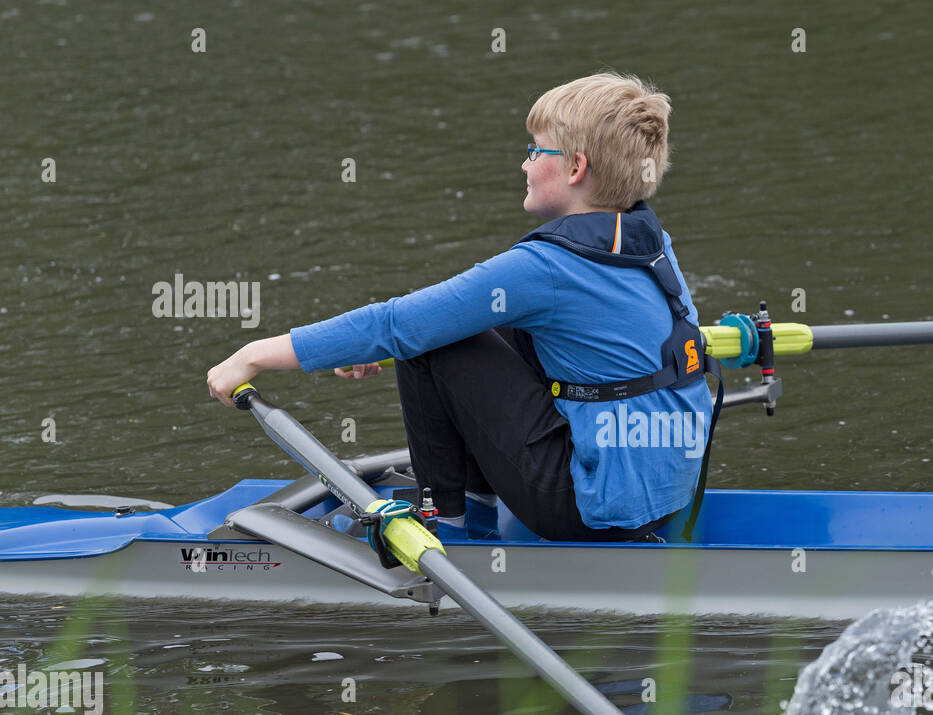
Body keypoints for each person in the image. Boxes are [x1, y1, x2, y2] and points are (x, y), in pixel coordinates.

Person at [207, 73, 715, 542]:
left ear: (576, 167)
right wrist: (372, 348)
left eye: (536, 151)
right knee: (471, 326)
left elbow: (399, 324)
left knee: (428, 340)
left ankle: (446, 523)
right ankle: (474, 503)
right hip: (666, 495)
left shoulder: (543, 269)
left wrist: (251, 356)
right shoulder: (649, 242)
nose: (524, 164)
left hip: (585, 510)